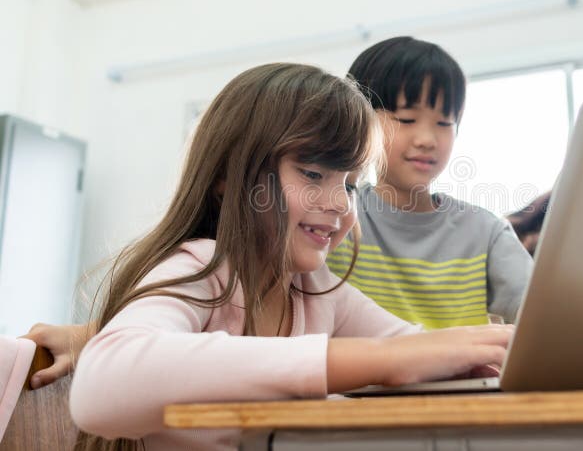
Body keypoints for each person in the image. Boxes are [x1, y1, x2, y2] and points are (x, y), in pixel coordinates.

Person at [64, 63, 512, 450]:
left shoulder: (317, 290)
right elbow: (100, 387)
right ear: (228, 177)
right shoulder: (202, 267)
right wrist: (382, 359)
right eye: (313, 174)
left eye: (350, 184)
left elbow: (414, 350)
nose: (339, 203)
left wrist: (479, 356)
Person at [326, 37, 533, 328]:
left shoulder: (485, 232)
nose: (427, 140)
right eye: (407, 119)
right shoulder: (335, 219)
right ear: (359, 121)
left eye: (444, 123)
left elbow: (541, 315)